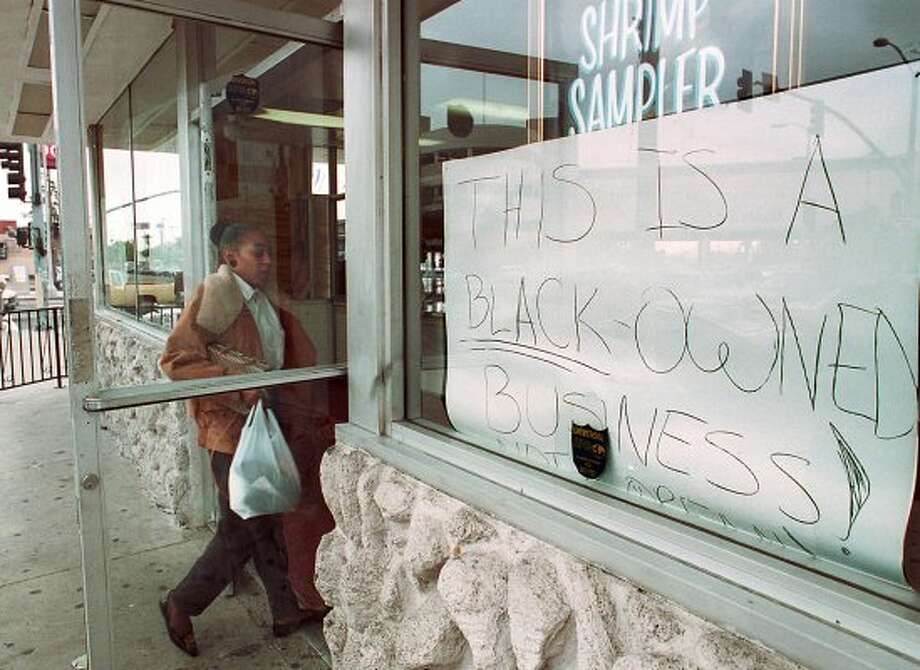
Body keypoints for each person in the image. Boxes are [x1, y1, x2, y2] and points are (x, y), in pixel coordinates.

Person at [158, 222, 332, 657]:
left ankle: (285, 610)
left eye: (269, 252)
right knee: (241, 529)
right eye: (259, 252)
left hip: (258, 427)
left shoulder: (256, 300)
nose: (268, 260)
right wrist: (237, 387)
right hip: (232, 433)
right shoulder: (217, 294)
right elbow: (176, 361)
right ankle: (182, 602)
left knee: (264, 521)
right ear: (231, 256)